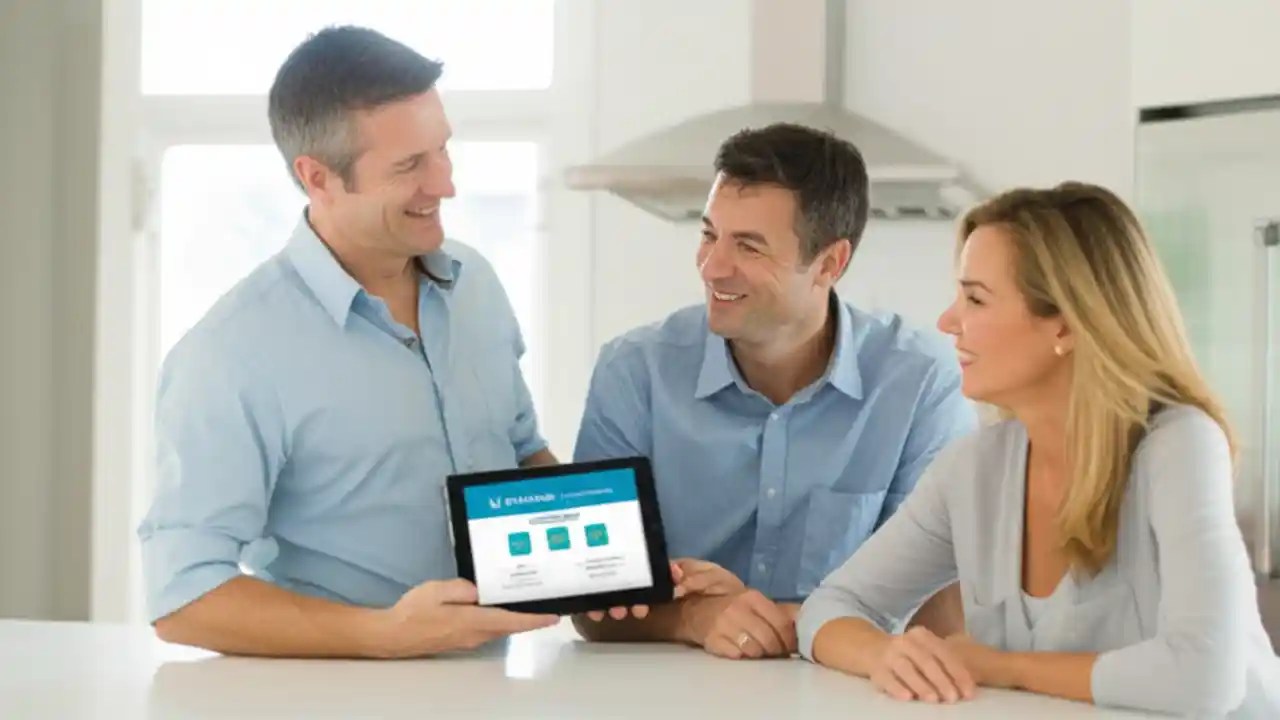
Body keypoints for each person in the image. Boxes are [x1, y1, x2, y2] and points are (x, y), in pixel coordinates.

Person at [136, 26, 562, 658]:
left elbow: (522, 453)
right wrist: (384, 636)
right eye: (410, 166)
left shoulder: (477, 286)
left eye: (443, 149)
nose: (445, 183)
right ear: (319, 177)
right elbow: (183, 595)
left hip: (494, 685)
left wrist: (618, 565)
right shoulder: (230, 354)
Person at [798, 182, 1280, 716]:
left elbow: (1205, 678)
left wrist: (1001, 666)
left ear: (1067, 324)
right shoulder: (974, 468)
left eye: (975, 298)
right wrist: (886, 653)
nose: (947, 322)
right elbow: (831, 606)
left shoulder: (1180, 445)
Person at [572, 123, 979, 659]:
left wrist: (770, 622)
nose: (712, 266)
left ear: (830, 263)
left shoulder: (921, 383)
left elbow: (938, 610)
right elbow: (589, 606)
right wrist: (695, 616)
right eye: (709, 234)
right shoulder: (633, 372)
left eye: (748, 246)